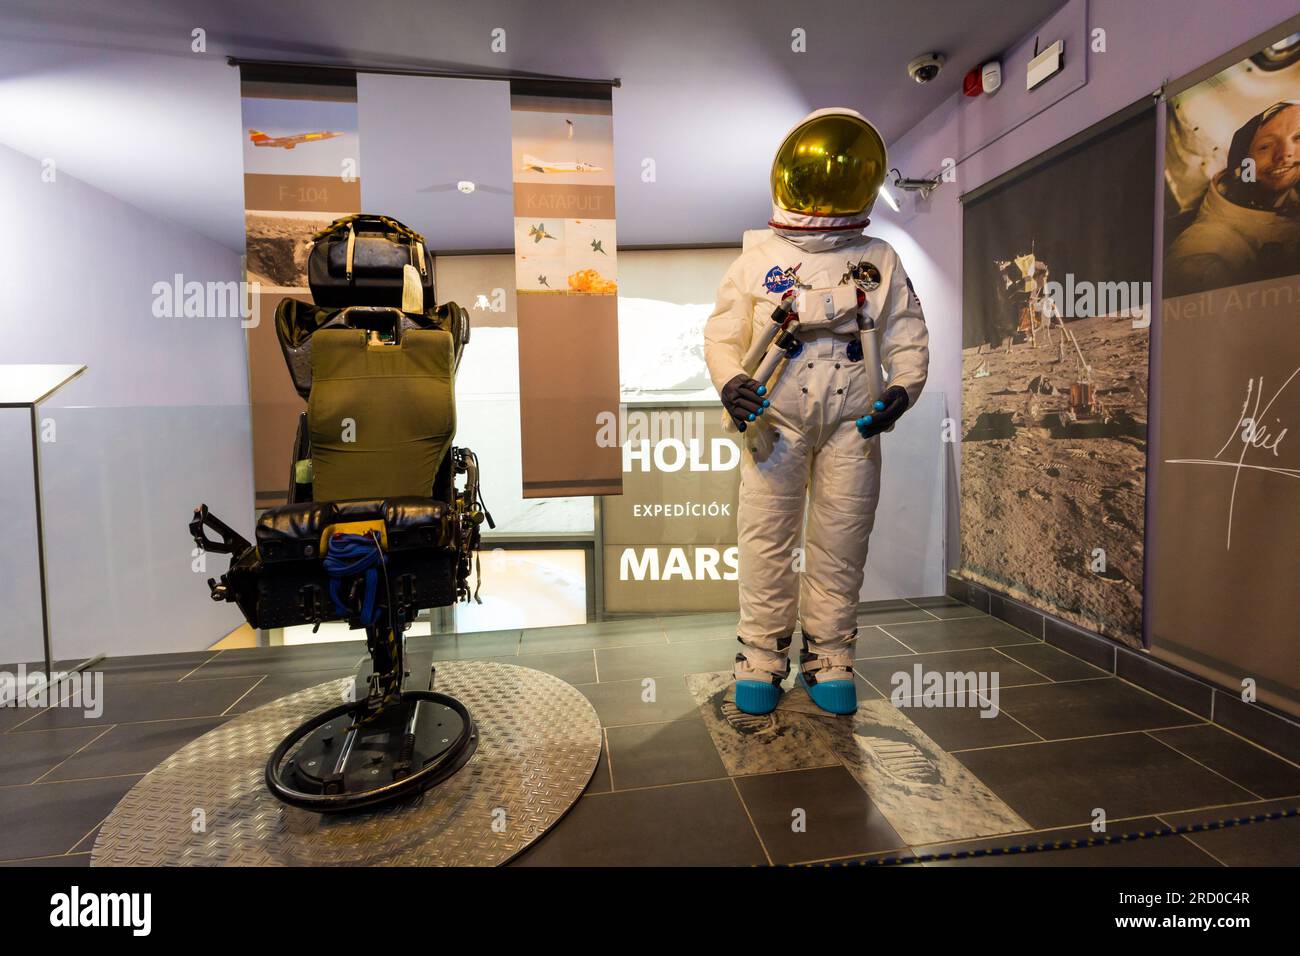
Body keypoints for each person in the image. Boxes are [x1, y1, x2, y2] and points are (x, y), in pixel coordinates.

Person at [703, 108, 929, 716]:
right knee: (766, 538)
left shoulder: (879, 259)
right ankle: (762, 654)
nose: (827, 189)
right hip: (774, 422)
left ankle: (830, 654)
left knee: (841, 539)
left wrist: (902, 390)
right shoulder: (757, 259)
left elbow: (907, 335)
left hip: (854, 424)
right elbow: (722, 335)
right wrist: (731, 383)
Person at [1166, 101, 1300, 296]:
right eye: (1265, 147)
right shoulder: (1203, 254)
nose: (1285, 154)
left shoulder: (1287, 197)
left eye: (1298, 138)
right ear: (1241, 167)